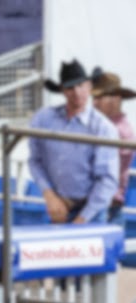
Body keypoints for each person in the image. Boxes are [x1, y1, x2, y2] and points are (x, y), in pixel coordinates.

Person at [29, 60, 119, 224]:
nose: (76, 92)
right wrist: (49, 194)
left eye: (80, 85)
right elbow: (35, 160)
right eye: (70, 87)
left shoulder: (103, 128)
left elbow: (107, 180)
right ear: (63, 90)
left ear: (89, 86)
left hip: (92, 211)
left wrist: (82, 219)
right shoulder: (43, 119)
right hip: (58, 207)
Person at [92, 69, 136, 226]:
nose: (95, 102)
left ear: (115, 99)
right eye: (95, 97)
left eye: (99, 97)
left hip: (106, 207)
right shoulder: (100, 125)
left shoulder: (121, 131)